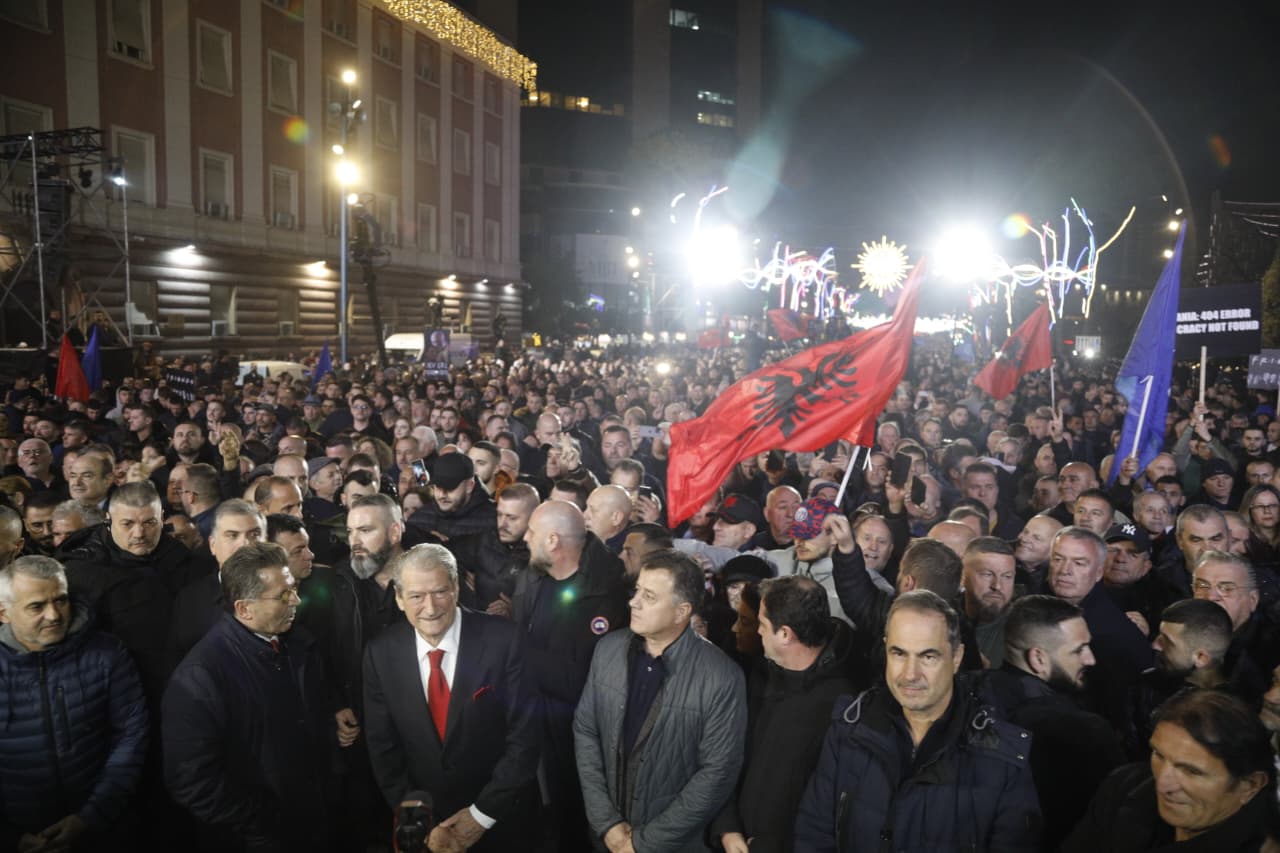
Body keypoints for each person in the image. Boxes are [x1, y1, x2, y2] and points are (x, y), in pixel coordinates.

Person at [794, 590, 1040, 851]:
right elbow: (814, 833)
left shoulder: (1002, 758)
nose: (910, 674)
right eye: (899, 653)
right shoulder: (848, 730)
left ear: (956, 658)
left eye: (928, 656)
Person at [361, 544, 540, 853]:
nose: (430, 608)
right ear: (399, 599)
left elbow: (526, 737)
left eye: (440, 592)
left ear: (457, 588)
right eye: (416, 596)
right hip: (424, 828)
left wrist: (480, 817)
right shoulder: (380, 653)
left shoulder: (505, 641)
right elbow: (383, 749)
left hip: (501, 821)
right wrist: (419, 819)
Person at [163, 543, 340, 853]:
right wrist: (262, 821)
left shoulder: (296, 645)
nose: (296, 600)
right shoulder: (200, 677)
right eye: (284, 595)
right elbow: (192, 782)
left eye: (293, 589)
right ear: (244, 608)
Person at [574, 549, 747, 853]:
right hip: (604, 839)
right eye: (637, 590)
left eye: (649, 597)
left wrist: (642, 844)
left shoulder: (722, 677)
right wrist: (607, 824)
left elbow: (717, 773)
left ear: (682, 612)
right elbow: (586, 731)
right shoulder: (607, 650)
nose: (633, 602)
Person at [0, 556, 149, 853]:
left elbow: (131, 736)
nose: (54, 615)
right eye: (36, 606)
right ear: (3, 613)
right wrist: (9, 837)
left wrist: (90, 817)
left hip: (103, 830)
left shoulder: (106, 653)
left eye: (61, 600)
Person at [512, 499, 629, 851]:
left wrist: (514, 655)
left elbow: (578, 680)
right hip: (539, 728)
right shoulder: (538, 580)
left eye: (532, 532)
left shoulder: (602, 599)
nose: (524, 538)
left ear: (553, 541)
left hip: (581, 742)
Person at [711, 575, 856, 853]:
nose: (759, 632)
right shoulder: (759, 677)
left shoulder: (843, 707)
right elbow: (728, 760)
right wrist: (726, 827)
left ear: (786, 634)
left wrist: (772, 846)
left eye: (763, 625)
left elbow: (833, 805)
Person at [984, 594, 1126, 844]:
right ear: (1038, 659)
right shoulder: (1083, 731)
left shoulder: (968, 698)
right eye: (1079, 650)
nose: (1090, 659)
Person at [1064, 690, 1275, 851]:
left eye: (1191, 771)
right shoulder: (1124, 785)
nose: (1162, 784)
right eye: (1158, 755)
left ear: (1249, 785)